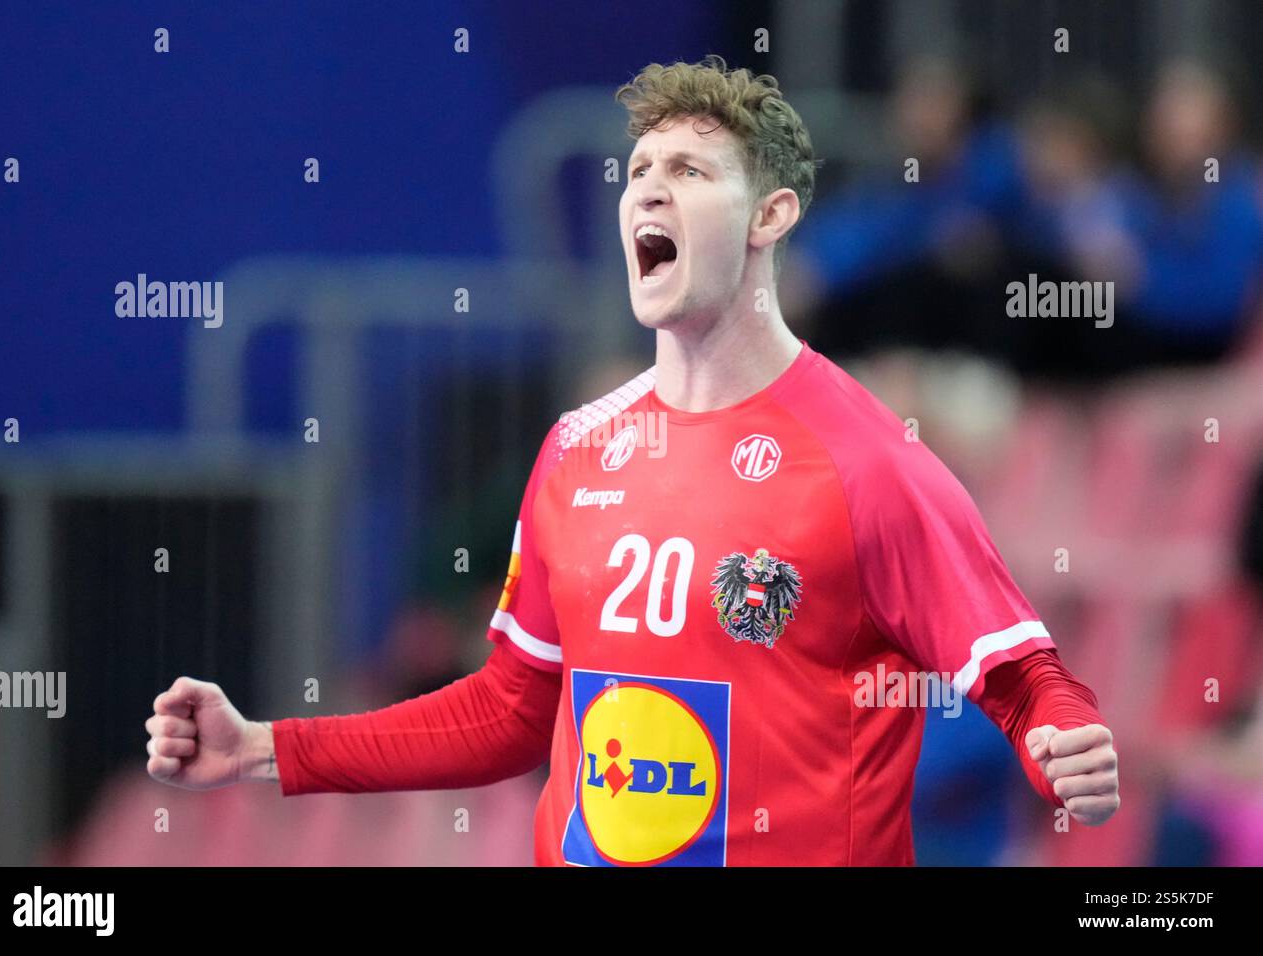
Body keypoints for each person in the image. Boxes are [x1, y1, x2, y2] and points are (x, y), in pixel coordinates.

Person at [146, 55, 1119, 866]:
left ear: (768, 217)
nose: (649, 184)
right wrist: (268, 747)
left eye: (691, 170)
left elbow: (1020, 672)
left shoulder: (870, 462)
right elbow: (507, 710)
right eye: (638, 168)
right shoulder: (577, 449)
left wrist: (1060, 746)